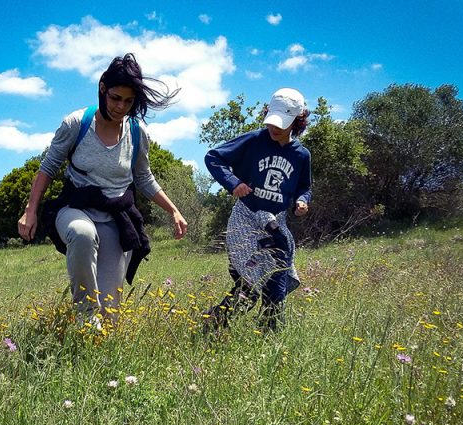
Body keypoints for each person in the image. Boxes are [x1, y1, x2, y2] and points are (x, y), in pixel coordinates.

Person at [17, 53, 187, 326]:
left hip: (115, 216)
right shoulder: (77, 124)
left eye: (129, 101)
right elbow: (48, 167)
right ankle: (84, 320)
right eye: (115, 98)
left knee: (110, 316)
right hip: (76, 207)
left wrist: (174, 210)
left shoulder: (136, 132)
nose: (121, 107)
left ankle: (95, 340)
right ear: (102, 88)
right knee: (82, 234)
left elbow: (143, 177)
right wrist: (30, 211)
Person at [203, 88, 312, 331]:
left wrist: (302, 200)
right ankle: (215, 325)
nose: (275, 128)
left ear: (298, 120)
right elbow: (213, 158)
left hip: (276, 221)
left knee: (277, 275)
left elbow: (304, 187)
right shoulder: (254, 140)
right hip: (247, 217)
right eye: (272, 121)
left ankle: (269, 331)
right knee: (250, 284)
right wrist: (234, 184)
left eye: (282, 123)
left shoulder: (301, 155)